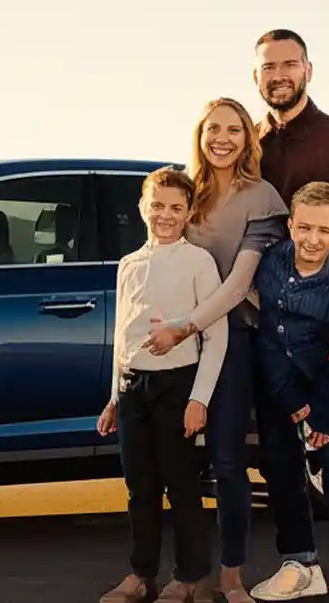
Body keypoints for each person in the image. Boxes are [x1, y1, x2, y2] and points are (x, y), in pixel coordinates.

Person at [247, 29, 329, 603]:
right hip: (271, 325)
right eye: (267, 67)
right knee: (278, 455)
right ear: (256, 77)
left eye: (288, 64)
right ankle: (301, 565)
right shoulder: (252, 143)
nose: (278, 74)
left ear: (307, 70)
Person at [142, 97, 290, 603]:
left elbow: (236, 285)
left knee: (226, 463)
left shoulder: (262, 197)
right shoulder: (186, 193)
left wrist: (184, 327)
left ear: (248, 139)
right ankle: (189, 575)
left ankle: (230, 574)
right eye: (213, 129)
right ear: (200, 135)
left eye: (234, 129)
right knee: (179, 469)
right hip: (174, 348)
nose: (223, 138)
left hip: (230, 341)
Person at [96, 166, 228, 603]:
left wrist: (199, 399)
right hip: (134, 391)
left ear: (189, 212)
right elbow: (123, 335)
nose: (165, 215)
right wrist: (115, 398)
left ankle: (190, 577)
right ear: (142, 208)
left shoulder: (198, 262)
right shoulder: (128, 265)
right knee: (140, 488)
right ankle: (140, 575)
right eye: (157, 206)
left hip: (178, 388)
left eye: (175, 207)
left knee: (181, 485)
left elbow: (217, 334)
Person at [256, 183, 329, 452]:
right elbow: (267, 332)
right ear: (290, 226)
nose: (312, 239)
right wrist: (293, 401)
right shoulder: (270, 262)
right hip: (275, 379)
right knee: (277, 465)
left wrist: (319, 412)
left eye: (324, 231)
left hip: (316, 381)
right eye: (304, 228)